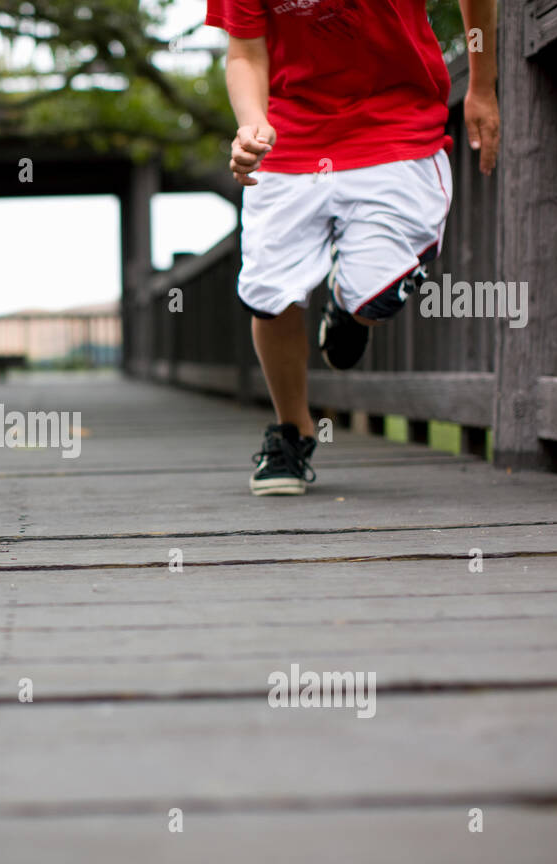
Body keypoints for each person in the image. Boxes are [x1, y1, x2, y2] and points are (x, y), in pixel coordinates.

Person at [206, 0, 500, 495]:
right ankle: (292, 431)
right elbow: (245, 53)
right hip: (291, 137)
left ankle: (352, 311)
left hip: (395, 127)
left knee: (374, 295)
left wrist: (483, 84)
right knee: (268, 291)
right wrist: (252, 122)